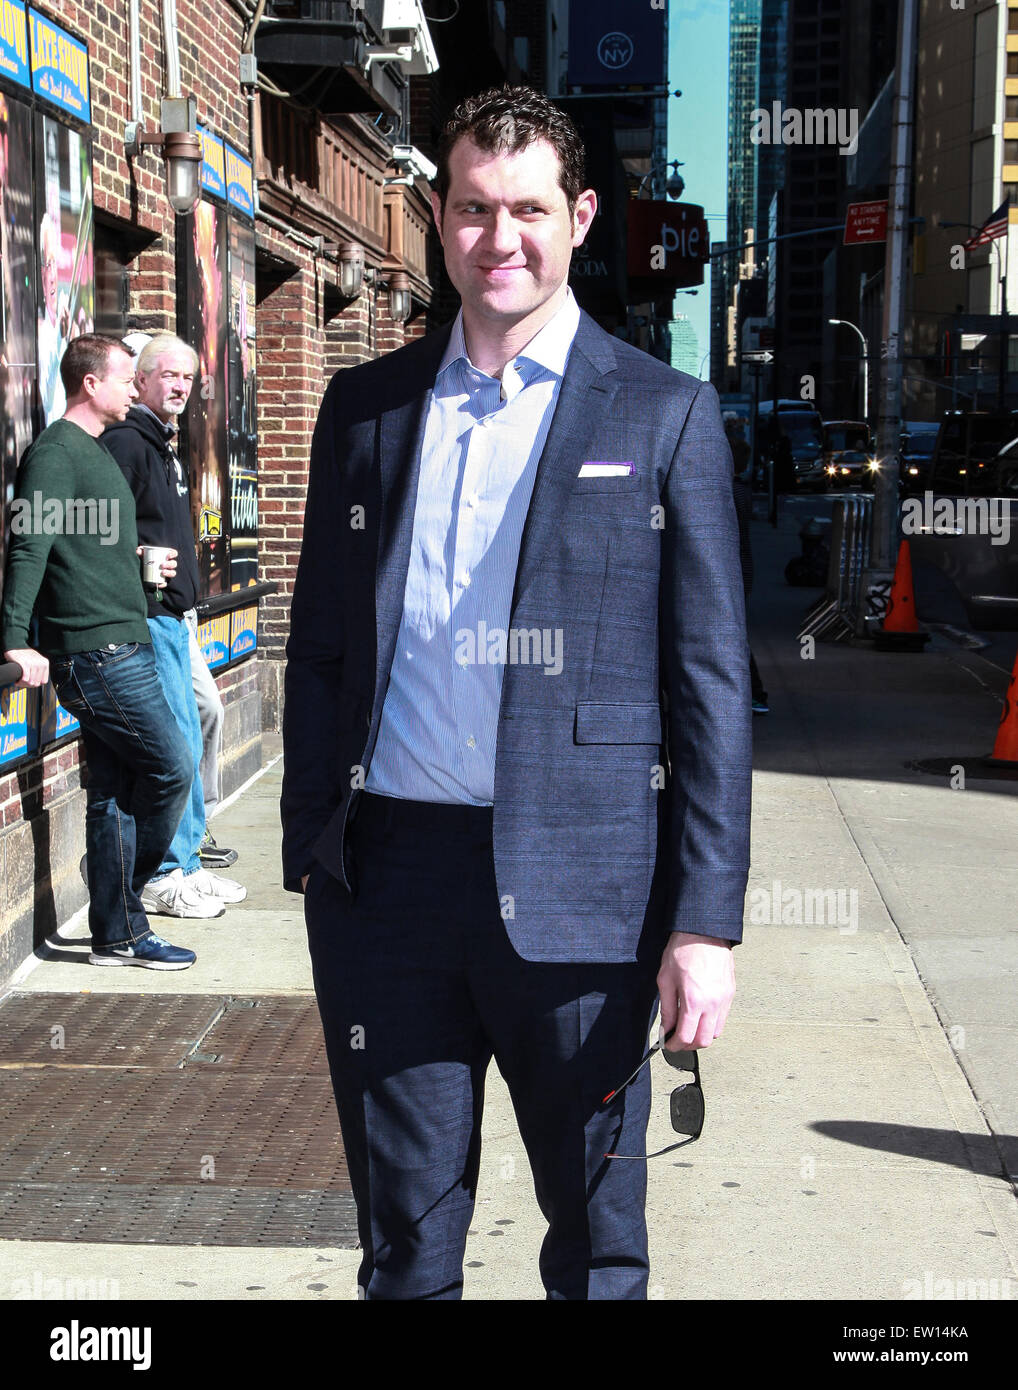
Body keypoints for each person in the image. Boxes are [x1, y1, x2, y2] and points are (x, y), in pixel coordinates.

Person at [281, 86, 752, 1300]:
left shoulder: (663, 413)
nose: (502, 239)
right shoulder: (366, 410)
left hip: (586, 901)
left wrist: (702, 924)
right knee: (404, 1248)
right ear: (438, 217)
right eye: (475, 209)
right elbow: (325, 643)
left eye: (529, 209)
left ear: (580, 215)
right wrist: (312, 848)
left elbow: (707, 687)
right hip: (388, 889)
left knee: (595, 1250)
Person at [0, 333, 197, 968]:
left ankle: (116, 934)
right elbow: (30, 544)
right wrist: (14, 641)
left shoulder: (91, 453)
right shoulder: (56, 454)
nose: (131, 388)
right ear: (92, 384)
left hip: (124, 639)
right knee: (173, 766)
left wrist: (138, 561)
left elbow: (80, 543)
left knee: (112, 794)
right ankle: (120, 889)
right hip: (97, 653)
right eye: (123, 378)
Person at [101, 333, 244, 916]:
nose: (181, 386)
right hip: (148, 618)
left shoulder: (163, 443)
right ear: (140, 379)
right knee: (177, 744)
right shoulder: (126, 445)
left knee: (199, 723)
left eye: (187, 377)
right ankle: (164, 873)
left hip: (177, 617)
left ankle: (186, 862)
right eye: (168, 375)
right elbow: (93, 531)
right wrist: (138, 561)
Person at [726, 417, 768, 714]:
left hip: (736, 570)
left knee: (734, 634)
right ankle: (754, 693)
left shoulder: (731, 490)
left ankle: (755, 693)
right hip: (743, 567)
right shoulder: (741, 488)